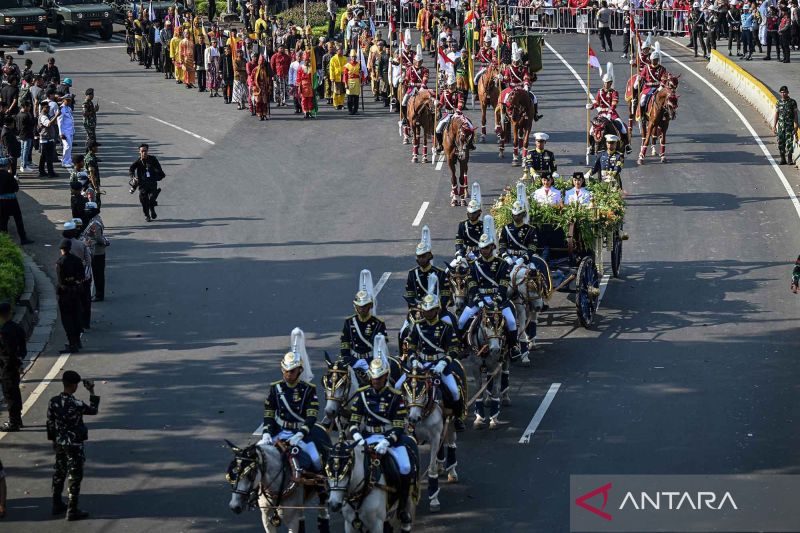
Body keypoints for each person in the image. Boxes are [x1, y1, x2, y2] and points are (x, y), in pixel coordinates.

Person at [347, 349, 417, 531]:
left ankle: (402, 508)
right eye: (373, 377)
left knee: (405, 467)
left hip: (389, 440)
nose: (375, 381)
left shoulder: (395, 396)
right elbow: (354, 422)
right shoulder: (362, 395)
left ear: (385, 376)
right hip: (367, 438)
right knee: (344, 464)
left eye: (379, 378)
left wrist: (387, 441)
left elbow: (399, 425)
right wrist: (357, 437)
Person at [258, 329, 329, 480]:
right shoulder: (275, 388)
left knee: (317, 460)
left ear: (299, 370)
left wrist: (300, 434)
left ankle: (322, 490)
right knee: (256, 457)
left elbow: (311, 416)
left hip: (300, 434)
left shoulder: (309, 390)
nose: (289, 374)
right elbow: (269, 413)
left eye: (292, 371)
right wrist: (266, 433)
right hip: (279, 431)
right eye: (286, 371)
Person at [457, 216, 521, 358]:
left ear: (492, 247)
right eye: (481, 248)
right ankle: (460, 345)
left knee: (510, 321)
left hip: (498, 299)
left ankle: (513, 346)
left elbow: (504, 284)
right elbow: (472, 284)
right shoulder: (474, 265)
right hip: (479, 298)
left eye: (486, 248)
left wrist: (497, 299)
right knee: (462, 320)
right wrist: (478, 299)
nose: (483, 251)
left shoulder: (502, 264)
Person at [406, 292, 466, 432]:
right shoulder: (418, 326)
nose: (427, 313)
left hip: (440, 365)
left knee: (454, 391)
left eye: (430, 310)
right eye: (425, 311)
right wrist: (414, 360)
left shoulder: (445, 326)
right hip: (421, 365)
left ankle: (458, 417)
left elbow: (453, 349)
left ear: (437, 310)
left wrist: (443, 363)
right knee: (399, 386)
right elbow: (411, 347)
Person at [47, 370, 99, 521]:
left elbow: (50, 424)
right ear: (75, 386)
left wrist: (53, 441)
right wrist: (91, 390)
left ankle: (56, 503)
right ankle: (72, 509)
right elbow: (93, 410)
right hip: (75, 444)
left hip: (60, 443)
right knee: (74, 476)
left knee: (59, 472)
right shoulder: (76, 404)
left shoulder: (53, 401)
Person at [401, 226, 452, 339]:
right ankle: (403, 356)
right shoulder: (412, 274)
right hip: (419, 310)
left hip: (437, 310)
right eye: (419, 256)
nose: (421, 259)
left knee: (452, 325)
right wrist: (415, 307)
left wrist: (439, 307)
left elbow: (445, 294)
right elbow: (409, 294)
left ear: (429, 256)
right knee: (402, 333)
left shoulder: (440, 273)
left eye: (423, 256)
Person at [341, 278, 387, 376]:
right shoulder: (349, 322)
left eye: (365, 306)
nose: (362, 309)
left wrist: (372, 362)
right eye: (359, 306)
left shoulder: (378, 323)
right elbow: (345, 344)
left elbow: (381, 347)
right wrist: (350, 361)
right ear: (355, 306)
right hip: (353, 360)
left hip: (371, 362)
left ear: (370, 305)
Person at [586, 63, 630, 153]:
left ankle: (627, 145)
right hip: (601, 114)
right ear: (604, 82)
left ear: (611, 83)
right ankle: (591, 146)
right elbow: (597, 103)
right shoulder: (600, 92)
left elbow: (614, 104)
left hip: (612, 114)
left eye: (608, 83)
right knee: (591, 130)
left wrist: (610, 113)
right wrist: (591, 106)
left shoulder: (614, 92)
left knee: (623, 128)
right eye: (605, 83)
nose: (607, 85)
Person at [0, 301, 25, 432]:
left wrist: (15, 363)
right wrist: (20, 362)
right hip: (14, 365)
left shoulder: (4, 332)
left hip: (7, 367)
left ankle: (14, 422)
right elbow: (22, 347)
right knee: (15, 391)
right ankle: (17, 419)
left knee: (9, 394)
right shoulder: (17, 327)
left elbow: (9, 352)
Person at [56, 239, 84, 353]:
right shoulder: (77, 260)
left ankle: (72, 344)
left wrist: (67, 282)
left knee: (67, 320)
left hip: (65, 294)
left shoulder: (60, 263)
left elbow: (61, 281)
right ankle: (77, 341)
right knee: (76, 316)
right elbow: (82, 276)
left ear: (62, 250)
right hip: (76, 292)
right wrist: (75, 281)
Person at [0, 157, 33, 245]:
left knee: (3, 220)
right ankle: (23, 238)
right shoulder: (9, 176)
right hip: (11, 200)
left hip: (1, 201)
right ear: (7, 166)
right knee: (18, 219)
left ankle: (4, 240)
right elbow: (16, 188)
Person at [128, 144, 164, 222]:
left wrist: (157, 175)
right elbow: (131, 169)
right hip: (142, 185)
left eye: (145, 151)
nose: (144, 152)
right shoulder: (138, 162)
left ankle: (152, 209)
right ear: (139, 152)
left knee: (151, 199)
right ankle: (147, 215)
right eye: (142, 151)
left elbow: (159, 170)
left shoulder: (153, 159)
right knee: (144, 201)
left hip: (152, 184)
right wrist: (133, 177)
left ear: (148, 151)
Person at [82, 202, 108, 302]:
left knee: (98, 274)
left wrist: (105, 242)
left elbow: (98, 238)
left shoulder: (95, 223)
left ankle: (99, 294)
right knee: (97, 274)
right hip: (95, 250)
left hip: (97, 251)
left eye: (88, 211)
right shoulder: (95, 219)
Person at [455, 182, 483, 257]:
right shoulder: (462, 225)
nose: (471, 215)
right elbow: (459, 241)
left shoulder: (482, 225)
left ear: (479, 213)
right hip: (466, 254)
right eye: (470, 213)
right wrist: (459, 254)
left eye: (474, 213)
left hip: (479, 254)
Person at [773, 85, 799, 165]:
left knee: (789, 143)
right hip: (781, 127)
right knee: (781, 143)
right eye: (782, 92)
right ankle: (783, 159)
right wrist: (774, 126)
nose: (783, 94)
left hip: (789, 127)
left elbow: (795, 114)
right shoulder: (778, 102)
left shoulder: (792, 102)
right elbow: (776, 114)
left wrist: (796, 124)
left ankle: (790, 159)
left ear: (788, 93)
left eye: (785, 92)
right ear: (780, 93)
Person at [37, 101, 59, 177]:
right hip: (46, 139)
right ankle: (50, 173)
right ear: (43, 108)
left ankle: (42, 171)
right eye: (47, 107)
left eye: (49, 107)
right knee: (49, 157)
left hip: (47, 139)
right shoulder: (43, 116)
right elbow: (48, 124)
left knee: (43, 156)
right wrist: (56, 116)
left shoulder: (46, 115)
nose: (49, 108)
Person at [15, 99, 34, 172]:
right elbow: (32, 123)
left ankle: (22, 165)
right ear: (25, 106)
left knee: (23, 150)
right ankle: (24, 166)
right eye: (29, 106)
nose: (29, 108)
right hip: (27, 134)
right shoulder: (26, 115)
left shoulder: (18, 114)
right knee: (26, 150)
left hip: (21, 134)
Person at [343, 49, 362, 115]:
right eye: (352, 57)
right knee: (350, 97)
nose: (353, 58)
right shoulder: (347, 65)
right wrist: (345, 83)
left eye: (354, 57)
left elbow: (361, 73)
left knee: (356, 97)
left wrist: (361, 79)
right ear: (350, 57)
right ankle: (350, 110)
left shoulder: (359, 64)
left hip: (356, 81)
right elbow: (345, 75)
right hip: (349, 81)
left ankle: (355, 110)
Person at [329, 43, 347, 110]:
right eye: (340, 50)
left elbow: (346, 67)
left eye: (342, 50)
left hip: (343, 77)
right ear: (337, 51)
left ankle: (341, 104)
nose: (341, 51)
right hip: (336, 77)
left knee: (342, 92)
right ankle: (336, 104)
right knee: (336, 92)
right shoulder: (333, 59)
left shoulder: (344, 58)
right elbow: (331, 69)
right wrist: (332, 77)